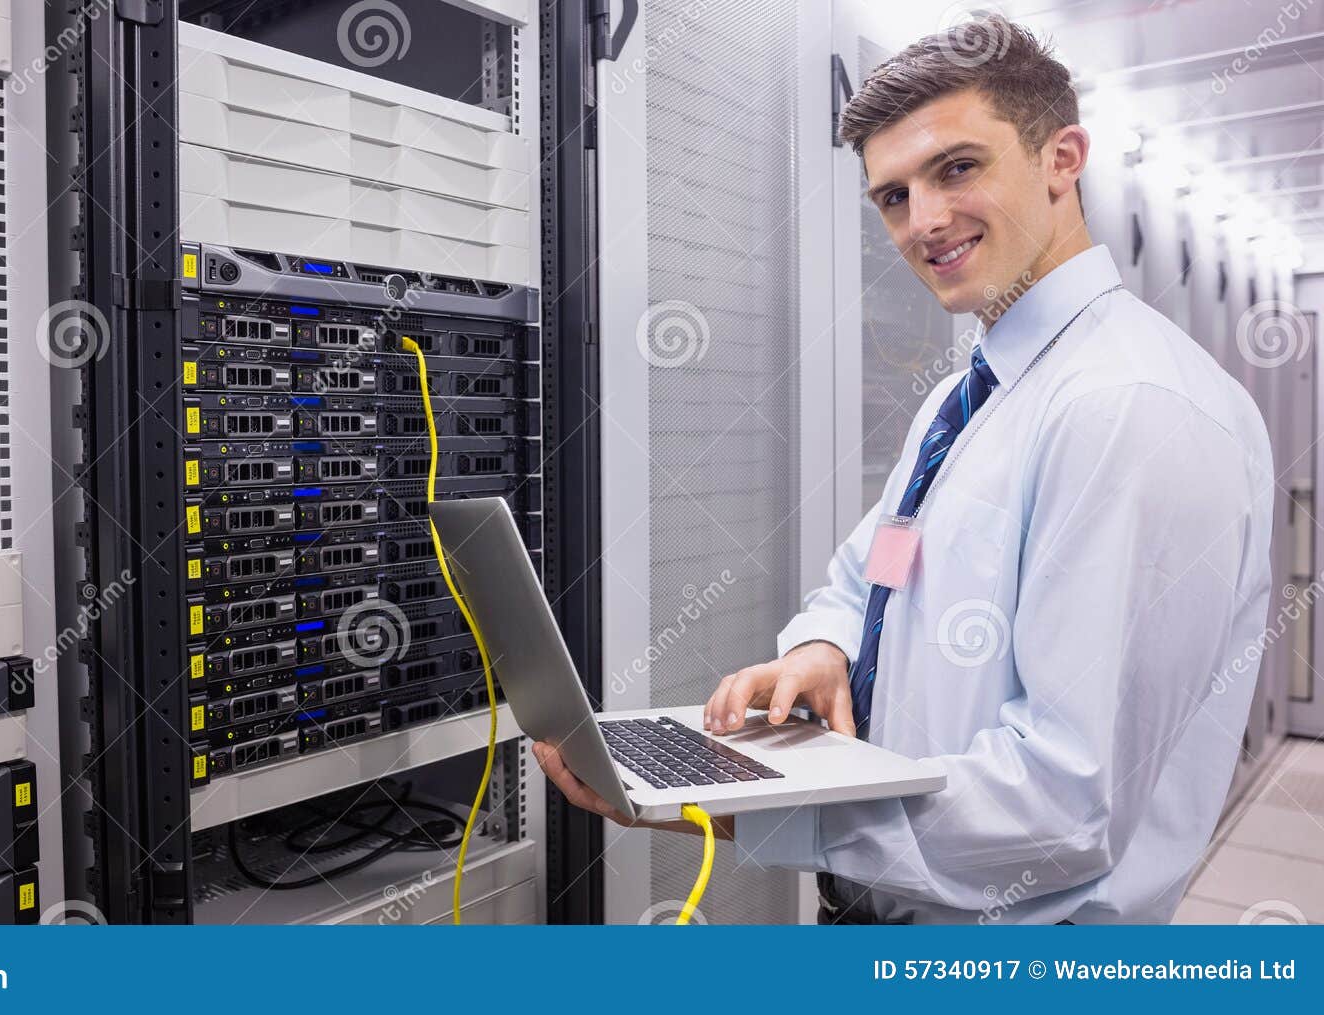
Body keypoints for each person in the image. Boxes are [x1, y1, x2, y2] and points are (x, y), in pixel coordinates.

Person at [534, 14, 1274, 924]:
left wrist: (723, 806)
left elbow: (1061, 808)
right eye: (892, 195)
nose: (924, 220)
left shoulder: (1129, 407)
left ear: (1062, 157)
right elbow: (880, 566)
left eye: (957, 168)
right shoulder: (969, 394)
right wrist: (825, 644)